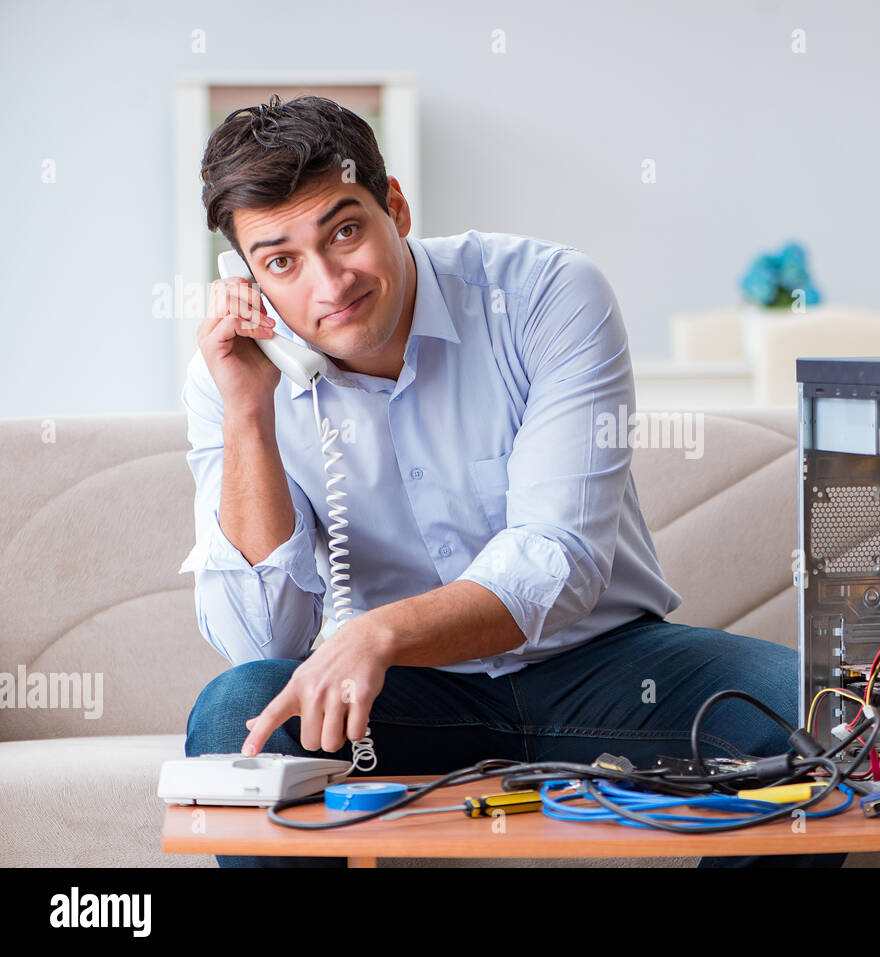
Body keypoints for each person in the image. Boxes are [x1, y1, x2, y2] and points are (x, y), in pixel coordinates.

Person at [180, 93, 842, 868]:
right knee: (237, 713)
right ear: (248, 277)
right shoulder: (234, 379)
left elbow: (556, 557)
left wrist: (379, 630)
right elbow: (265, 641)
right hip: (404, 693)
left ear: (395, 206)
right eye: (282, 261)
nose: (328, 285)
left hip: (604, 668)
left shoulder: (546, 293)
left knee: (820, 713)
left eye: (346, 230)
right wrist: (249, 412)